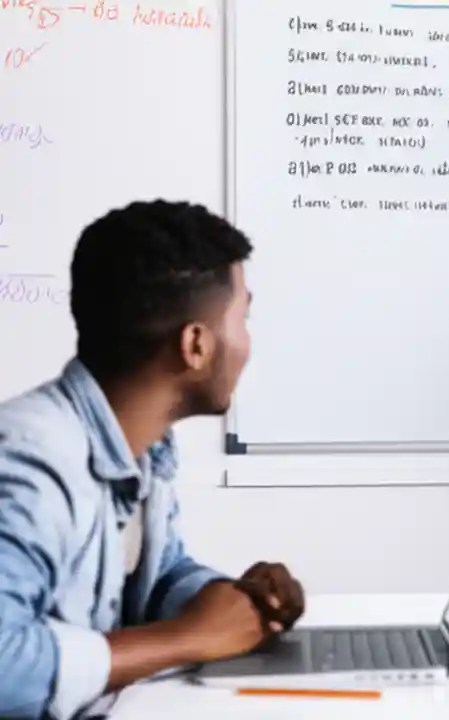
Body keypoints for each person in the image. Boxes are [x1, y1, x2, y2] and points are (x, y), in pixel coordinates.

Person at [0, 200, 305, 719]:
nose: (248, 343)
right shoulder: (32, 461)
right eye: (243, 318)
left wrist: (230, 601)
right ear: (196, 345)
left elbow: (152, 575)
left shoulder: (143, 448)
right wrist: (187, 637)